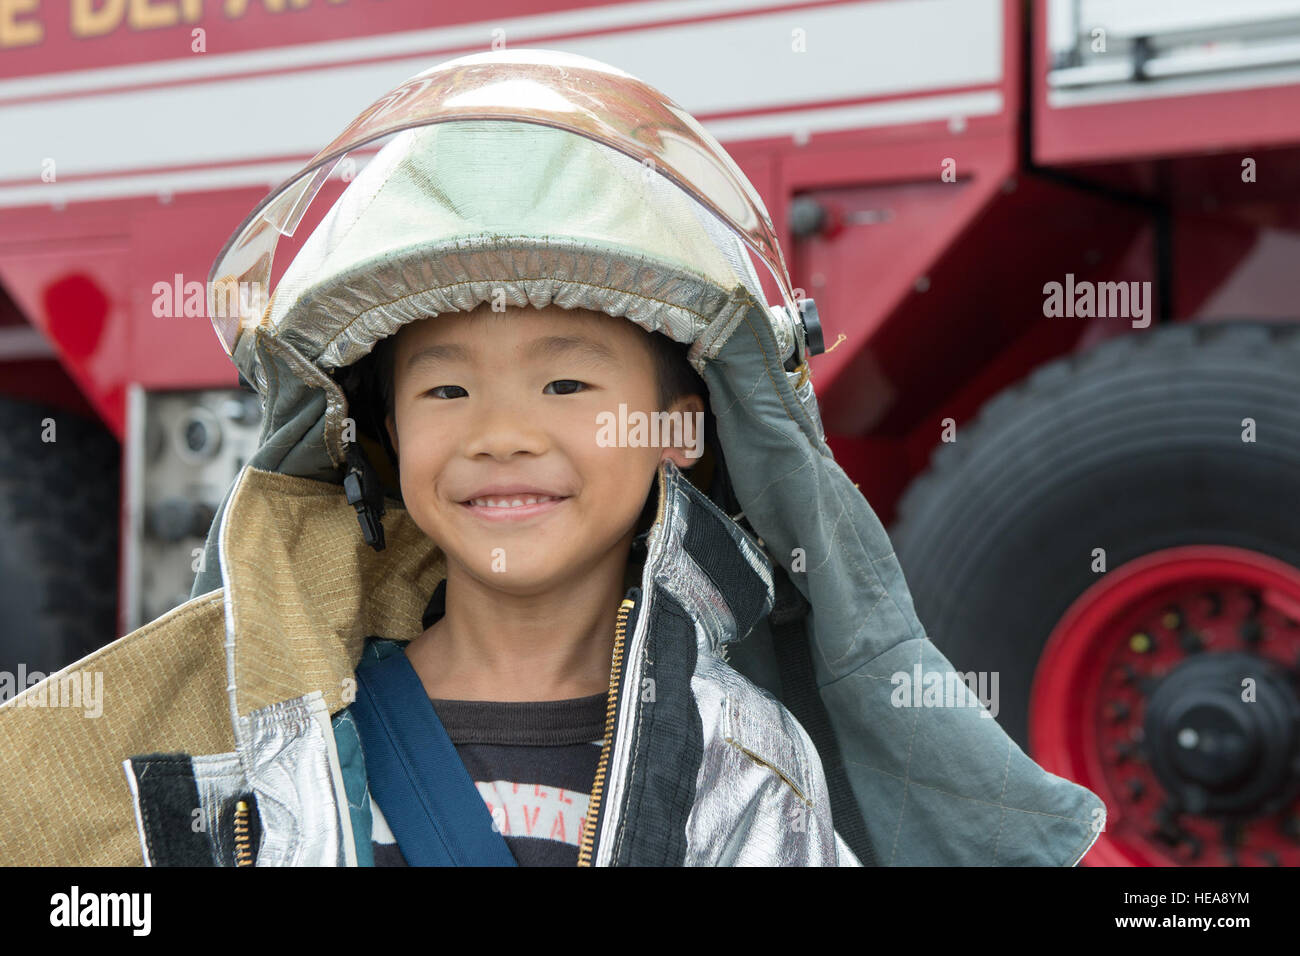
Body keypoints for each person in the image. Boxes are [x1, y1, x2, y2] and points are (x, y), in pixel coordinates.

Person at [0, 49, 1105, 867]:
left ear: (683, 424)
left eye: (567, 382)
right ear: (382, 438)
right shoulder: (247, 747)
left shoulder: (743, 760)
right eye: (444, 387)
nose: (501, 433)